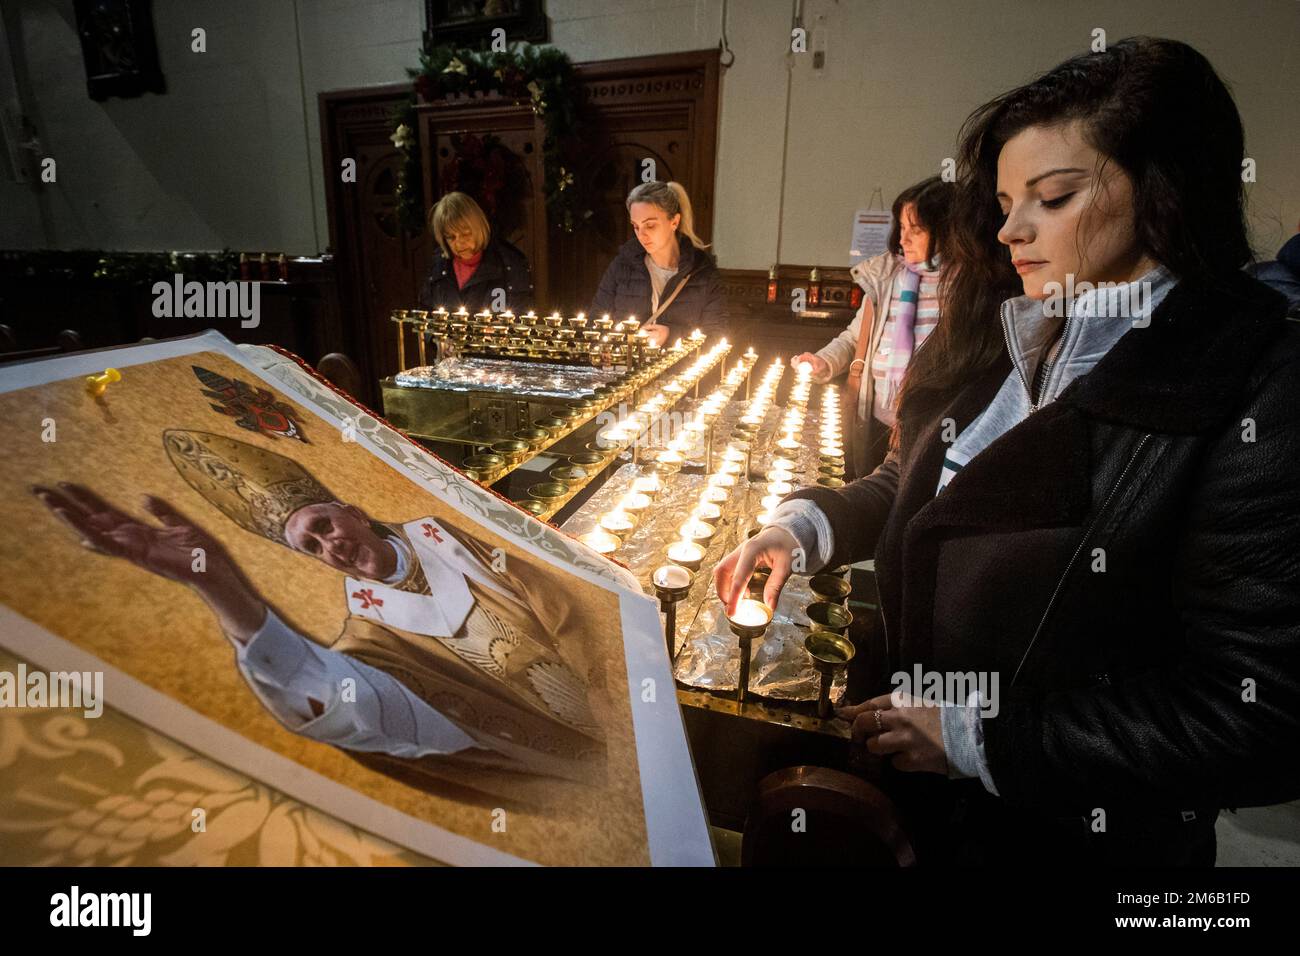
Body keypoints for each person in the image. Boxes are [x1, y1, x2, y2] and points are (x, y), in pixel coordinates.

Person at [715, 37, 1300, 865]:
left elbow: (1259, 713)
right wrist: (804, 528)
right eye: (1003, 199)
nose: (1011, 227)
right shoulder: (1007, 326)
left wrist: (986, 739)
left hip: (1068, 835)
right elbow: (922, 482)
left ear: (1165, 193)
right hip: (917, 788)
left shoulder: (1251, 385)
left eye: (1053, 197)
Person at [32, 430, 605, 807]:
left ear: (352, 512)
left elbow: (557, 595)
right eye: (312, 547)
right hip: (577, 767)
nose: (329, 547)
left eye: (327, 527)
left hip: (612, 692)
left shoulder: (446, 534)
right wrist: (218, 584)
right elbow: (345, 704)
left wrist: (612, 690)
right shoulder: (370, 637)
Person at [792, 177, 954, 479]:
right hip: (875, 419)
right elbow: (855, 337)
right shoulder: (888, 280)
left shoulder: (963, 291)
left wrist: (916, 416)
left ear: (947, 231)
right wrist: (822, 360)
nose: (903, 239)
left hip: (930, 428)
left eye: (915, 230)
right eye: (902, 228)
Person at [590, 180, 727, 346]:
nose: (641, 235)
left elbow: (717, 338)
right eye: (636, 226)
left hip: (680, 370)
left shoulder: (702, 272)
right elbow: (596, 322)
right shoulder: (623, 265)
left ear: (674, 222)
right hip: (628, 369)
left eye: (650, 225)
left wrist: (672, 335)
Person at [418, 191, 534, 314]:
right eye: (451, 237)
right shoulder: (438, 266)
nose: (459, 243)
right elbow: (426, 315)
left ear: (478, 227)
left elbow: (521, 318)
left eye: (465, 234)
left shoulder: (509, 263)